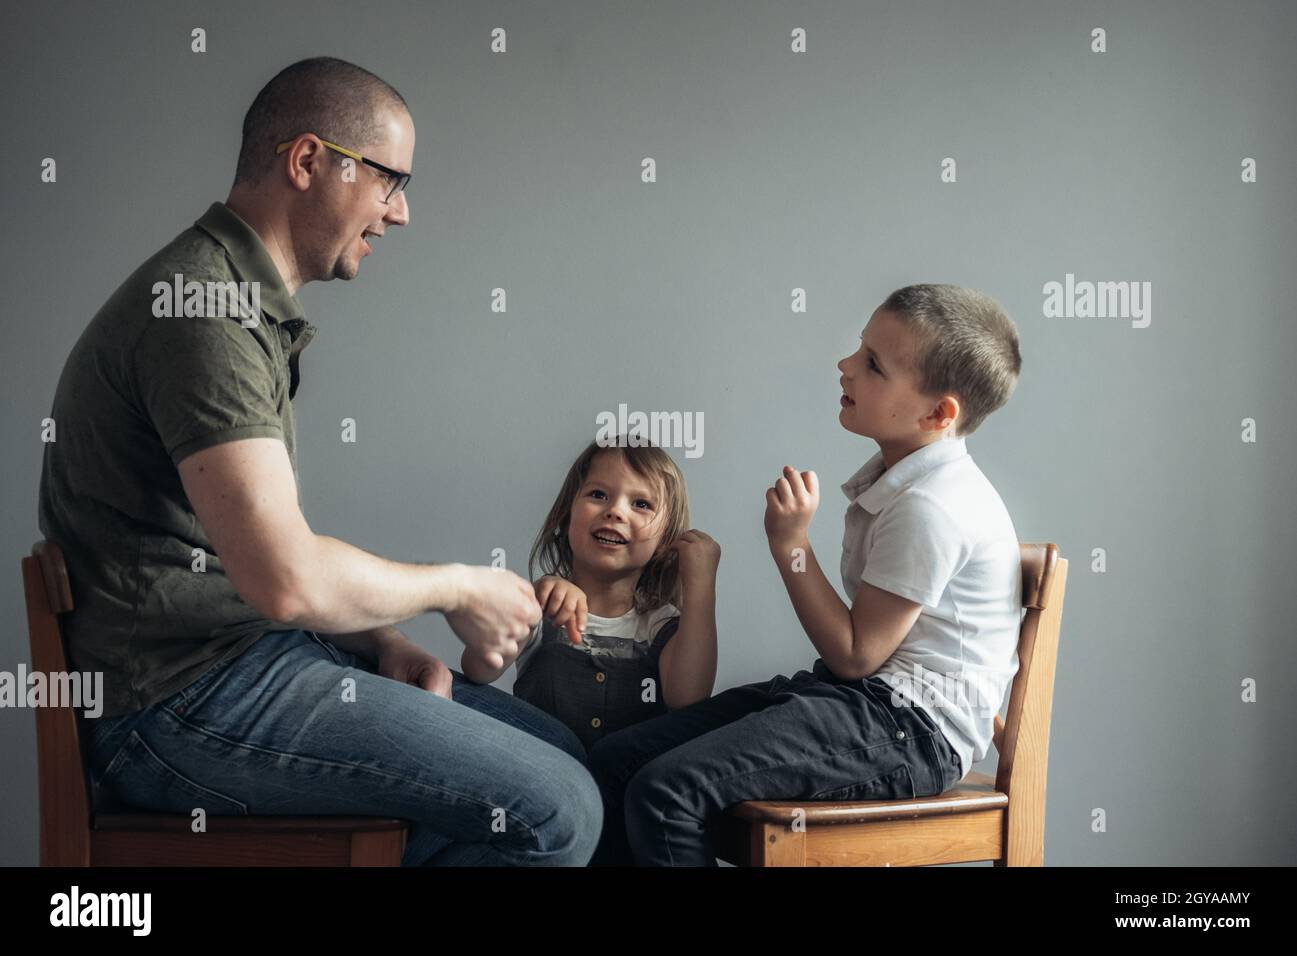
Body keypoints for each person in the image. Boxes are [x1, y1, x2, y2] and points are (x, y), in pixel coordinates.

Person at [37, 56, 602, 866]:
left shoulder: (236, 298)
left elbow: (253, 557)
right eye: (387, 180)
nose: (399, 213)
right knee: (558, 807)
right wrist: (458, 588)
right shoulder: (208, 312)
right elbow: (286, 577)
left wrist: (380, 642)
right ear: (308, 162)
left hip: (247, 657)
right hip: (174, 705)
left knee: (563, 757)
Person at [585, 284, 1025, 865]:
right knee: (616, 763)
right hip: (858, 702)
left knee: (666, 795)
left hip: (911, 732)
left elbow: (855, 653)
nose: (844, 366)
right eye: (858, 349)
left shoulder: (933, 506)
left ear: (938, 412)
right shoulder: (908, 486)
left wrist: (789, 544)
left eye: (872, 364)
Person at [462, 438, 720, 755]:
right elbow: (476, 669)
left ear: (666, 540)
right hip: (543, 775)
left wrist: (702, 586)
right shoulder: (541, 608)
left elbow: (689, 699)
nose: (615, 511)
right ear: (566, 518)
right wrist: (527, 607)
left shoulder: (658, 624)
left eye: (641, 504)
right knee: (448, 687)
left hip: (626, 785)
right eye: (598, 495)